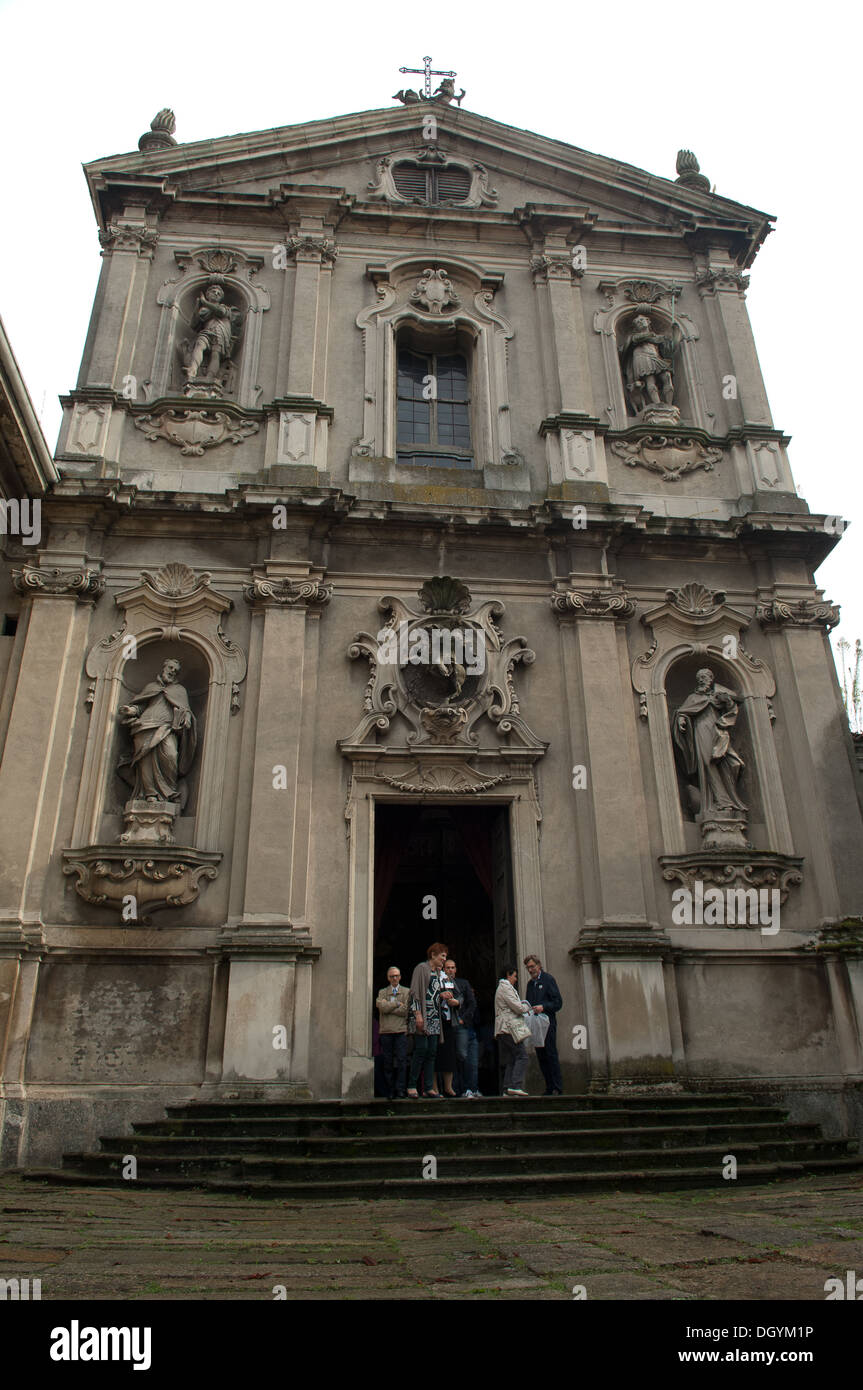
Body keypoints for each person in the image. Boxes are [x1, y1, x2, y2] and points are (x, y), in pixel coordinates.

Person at [672, 667, 747, 820]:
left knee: (731, 763)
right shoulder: (693, 697)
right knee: (707, 763)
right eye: (699, 677)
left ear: (710, 679)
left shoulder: (717, 695)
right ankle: (718, 802)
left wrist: (728, 702)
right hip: (701, 730)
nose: (701, 679)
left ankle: (729, 799)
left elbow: (732, 709)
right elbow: (683, 712)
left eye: (704, 676)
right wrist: (681, 720)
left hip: (718, 731)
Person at [118, 658, 196, 803]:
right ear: (164, 667)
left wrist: (187, 718)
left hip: (166, 729)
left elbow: (185, 709)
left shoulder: (179, 691)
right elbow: (141, 705)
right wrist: (132, 710)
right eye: (171, 668)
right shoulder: (151, 687)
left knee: (171, 756)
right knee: (145, 759)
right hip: (145, 726)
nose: (172, 671)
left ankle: (168, 792)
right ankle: (149, 793)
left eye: (176, 670)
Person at [407, 943, 448, 1098]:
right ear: (433, 955)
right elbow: (415, 992)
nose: (444, 959)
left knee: (432, 1052)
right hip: (422, 1016)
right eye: (442, 956)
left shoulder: (438, 973)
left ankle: (429, 1087)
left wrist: (442, 995)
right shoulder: (421, 969)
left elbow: (434, 992)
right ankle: (412, 1085)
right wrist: (418, 1015)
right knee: (421, 1050)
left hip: (434, 1017)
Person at [524, 954, 563, 1095]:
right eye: (528, 967)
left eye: (532, 966)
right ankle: (549, 1086)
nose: (530, 970)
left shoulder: (548, 980)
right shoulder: (530, 984)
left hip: (548, 1023)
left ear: (539, 966)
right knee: (541, 1055)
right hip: (536, 1024)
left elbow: (558, 1002)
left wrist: (544, 1007)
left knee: (551, 1053)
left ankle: (557, 1088)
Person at [444, 958, 481, 1097]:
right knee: (452, 1060)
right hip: (447, 1028)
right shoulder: (439, 985)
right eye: (447, 968)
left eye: (452, 967)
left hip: (463, 1027)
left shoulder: (463, 984)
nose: (450, 970)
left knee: (466, 1058)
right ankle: (454, 1090)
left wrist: (462, 1019)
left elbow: (472, 1004)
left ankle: (469, 1088)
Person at [494, 965, 532, 1097]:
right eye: (515, 976)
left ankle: (507, 1088)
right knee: (522, 1056)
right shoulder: (505, 988)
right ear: (508, 975)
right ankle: (515, 1085)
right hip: (508, 1028)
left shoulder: (504, 988)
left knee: (512, 1058)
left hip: (504, 1029)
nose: (516, 979)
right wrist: (527, 1005)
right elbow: (518, 1008)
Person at [375, 966, 410, 1099]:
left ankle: (400, 1089)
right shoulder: (382, 992)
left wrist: (388, 1006)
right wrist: (397, 1004)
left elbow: (406, 1010)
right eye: (391, 976)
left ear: (400, 977)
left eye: (396, 976)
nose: (394, 978)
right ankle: (390, 1090)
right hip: (386, 1031)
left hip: (401, 1031)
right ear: (388, 978)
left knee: (401, 1061)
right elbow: (381, 1008)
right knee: (387, 1063)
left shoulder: (407, 992)